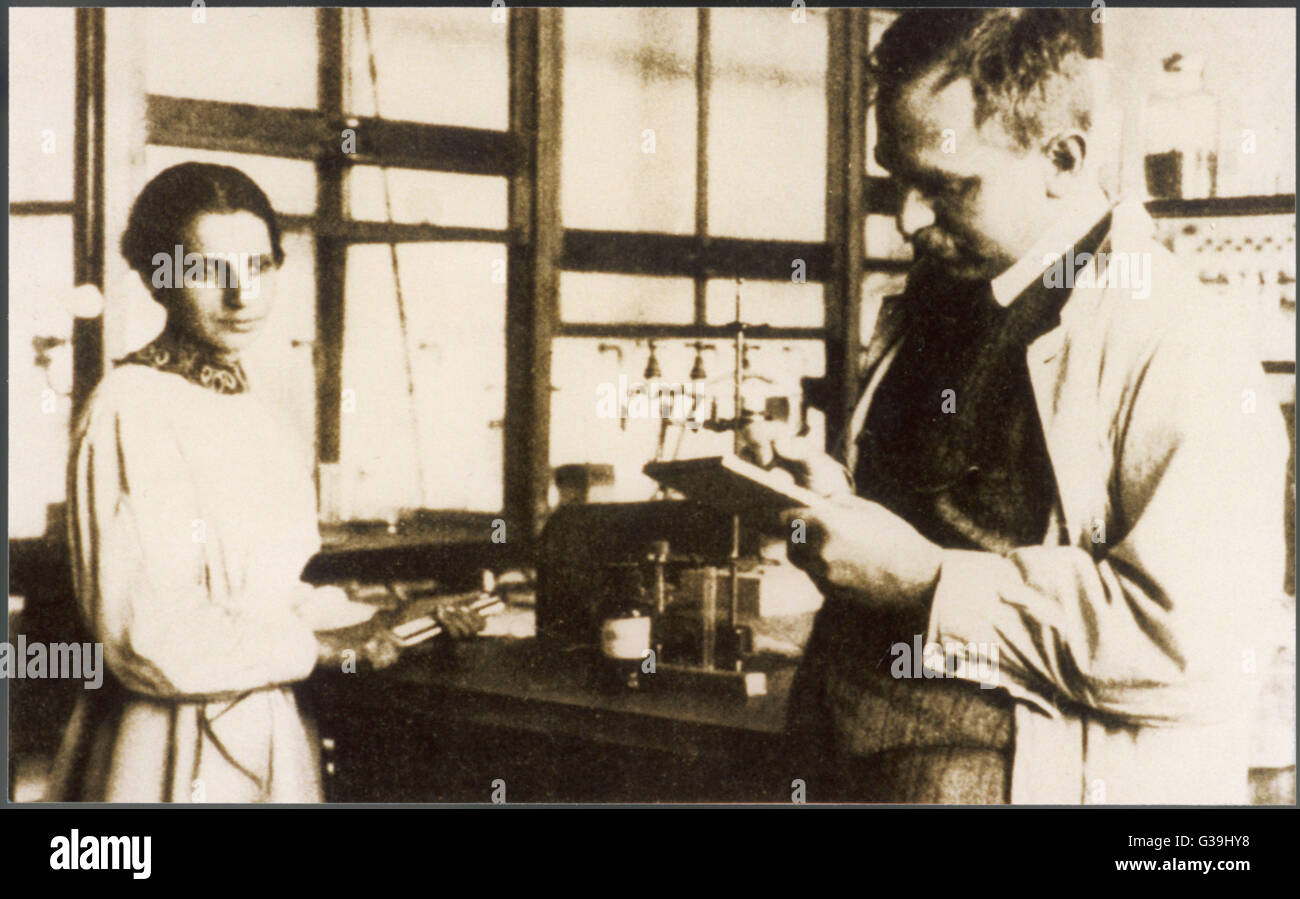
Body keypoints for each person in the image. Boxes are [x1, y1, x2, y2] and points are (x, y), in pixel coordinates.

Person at [773, 9, 1288, 803]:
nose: (908, 218)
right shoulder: (936, 298)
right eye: (895, 181)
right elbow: (931, 513)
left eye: (946, 186)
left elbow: (1192, 647)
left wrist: (928, 582)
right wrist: (838, 497)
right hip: (845, 752)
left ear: (1062, 157)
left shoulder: (1182, 339)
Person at [46, 162, 482, 803]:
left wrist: (388, 618)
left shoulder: (254, 410)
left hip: (270, 721)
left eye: (260, 267)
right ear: (155, 278)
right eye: (206, 271)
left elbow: (269, 593)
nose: (241, 295)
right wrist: (322, 648)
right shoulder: (128, 409)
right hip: (165, 745)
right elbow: (144, 634)